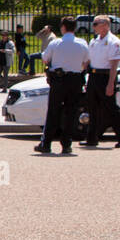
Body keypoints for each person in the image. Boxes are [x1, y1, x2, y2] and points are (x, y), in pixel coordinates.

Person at [36, 16, 88, 155]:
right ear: (75, 28)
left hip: (59, 80)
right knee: (71, 112)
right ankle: (66, 144)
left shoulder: (56, 43)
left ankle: (46, 143)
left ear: (63, 27)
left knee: (53, 112)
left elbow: (45, 59)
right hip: (75, 80)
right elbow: (86, 62)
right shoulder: (82, 43)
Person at [82, 15, 120, 148]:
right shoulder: (94, 41)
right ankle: (92, 137)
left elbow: (114, 65)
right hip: (94, 76)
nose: (93, 27)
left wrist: (111, 83)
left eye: (96, 24)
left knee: (111, 108)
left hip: (105, 76)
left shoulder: (113, 42)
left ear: (105, 25)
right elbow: (88, 60)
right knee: (92, 108)